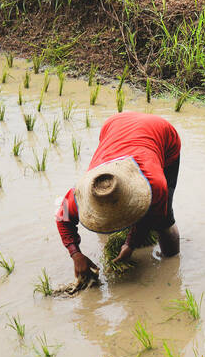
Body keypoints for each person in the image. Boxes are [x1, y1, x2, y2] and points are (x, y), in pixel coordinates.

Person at [55, 112, 181, 290]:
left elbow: (149, 216)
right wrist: (76, 255)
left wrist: (131, 244)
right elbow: (62, 218)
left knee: (164, 219)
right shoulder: (81, 193)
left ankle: (172, 262)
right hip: (114, 126)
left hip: (160, 132)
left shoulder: (155, 185)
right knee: (106, 217)